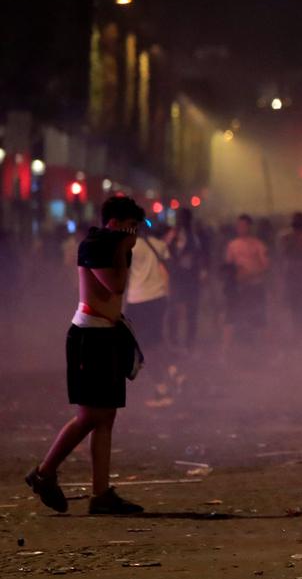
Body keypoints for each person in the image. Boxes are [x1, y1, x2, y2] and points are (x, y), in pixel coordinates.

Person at [26, 196, 147, 514]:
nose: (134, 232)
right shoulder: (96, 245)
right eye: (130, 225)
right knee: (90, 415)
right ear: (114, 222)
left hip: (106, 336)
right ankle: (44, 472)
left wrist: (124, 249)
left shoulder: (115, 247)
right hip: (89, 337)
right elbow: (116, 286)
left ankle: (101, 494)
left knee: (106, 416)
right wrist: (122, 249)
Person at [126, 223, 173, 407]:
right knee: (157, 340)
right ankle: (173, 372)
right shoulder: (158, 244)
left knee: (145, 346)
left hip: (138, 300)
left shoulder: (131, 248)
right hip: (158, 298)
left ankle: (162, 390)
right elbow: (166, 268)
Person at [223, 214, 270, 351]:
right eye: (238, 225)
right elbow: (228, 266)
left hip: (255, 286)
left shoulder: (258, 244)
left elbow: (266, 265)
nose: (240, 228)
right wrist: (234, 276)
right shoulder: (232, 245)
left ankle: (265, 350)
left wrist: (251, 274)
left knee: (260, 319)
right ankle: (226, 352)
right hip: (238, 289)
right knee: (231, 318)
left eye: (243, 225)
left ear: (249, 227)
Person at [165, 208, 207, 352]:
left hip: (191, 278)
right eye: (179, 218)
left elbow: (201, 256)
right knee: (174, 310)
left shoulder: (195, 236)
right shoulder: (172, 235)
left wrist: (200, 270)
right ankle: (174, 339)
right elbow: (165, 252)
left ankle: (190, 341)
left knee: (191, 310)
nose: (181, 221)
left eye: (183, 218)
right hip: (177, 277)